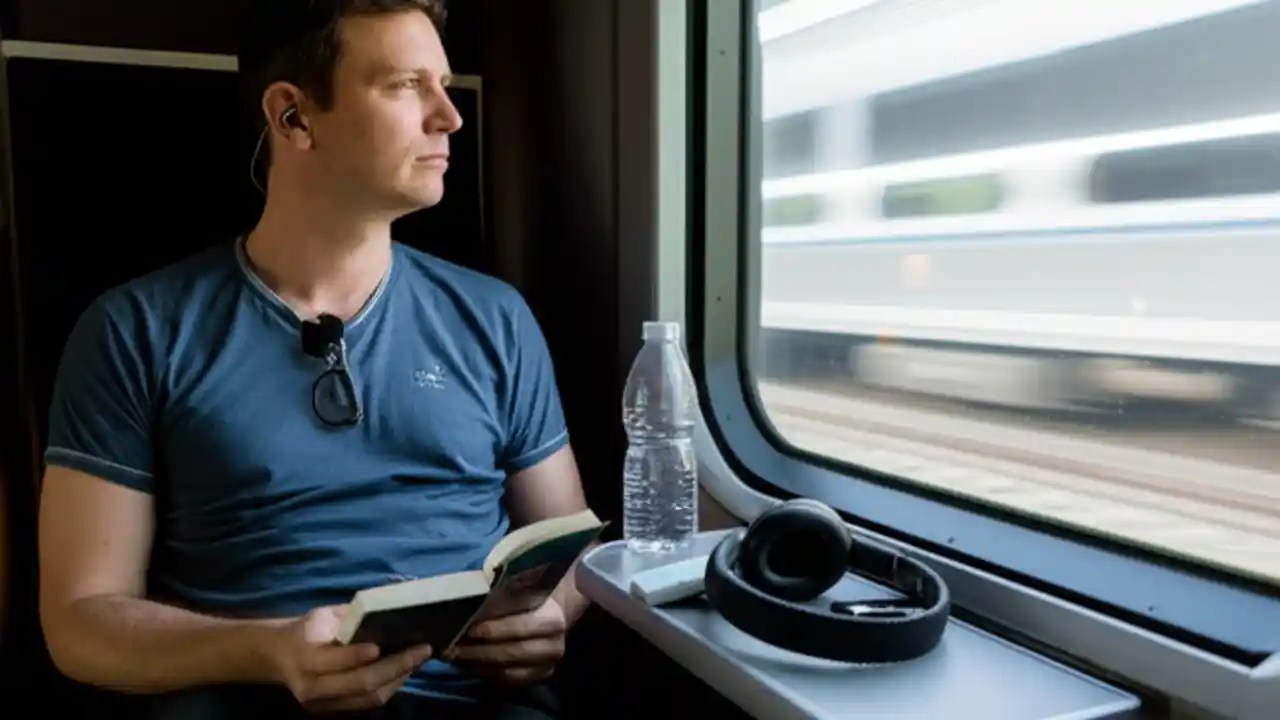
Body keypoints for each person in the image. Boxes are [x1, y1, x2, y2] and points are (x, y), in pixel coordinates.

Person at [35, 1, 593, 718]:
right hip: (246, 701)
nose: (448, 117)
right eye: (404, 86)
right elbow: (80, 620)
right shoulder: (132, 332)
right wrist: (268, 650)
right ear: (294, 117)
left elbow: (568, 553)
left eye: (444, 85)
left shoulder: (495, 319)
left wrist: (557, 616)